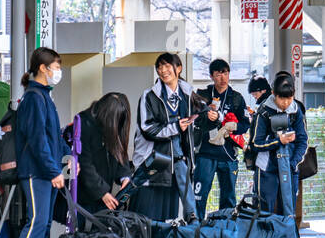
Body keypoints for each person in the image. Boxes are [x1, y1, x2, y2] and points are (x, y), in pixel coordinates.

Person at [4, 47, 65, 238]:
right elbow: (38, 140)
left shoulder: (44, 96)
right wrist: (53, 171)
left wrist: (67, 157)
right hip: (36, 172)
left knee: (44, 223)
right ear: (44, 68)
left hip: (45, 170)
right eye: (57, 67)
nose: (59, 72)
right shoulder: (33, 98)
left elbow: (52, 137)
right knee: (37, 222)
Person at [131, 52, 198, 222]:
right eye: (159, 66)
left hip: (179, 160)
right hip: (156, 161)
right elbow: (147, 128)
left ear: (179, 68)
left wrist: (214, 116)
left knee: (171, 214)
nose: (163, 70)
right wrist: (175, 127)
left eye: (167, 65)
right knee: (150, 214)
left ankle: (190, 228)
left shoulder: (187, 94)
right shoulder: (149, 95)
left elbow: (201, 115)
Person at [192, 58, 250, 216]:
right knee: (199, 196)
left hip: (228, 155)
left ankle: (225, 231)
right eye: (218, 74)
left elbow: (246, 124)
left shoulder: (237, 98)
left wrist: (232, 127)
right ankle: (196, 230)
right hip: (205, 154)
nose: (223, 78)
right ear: (211, 76)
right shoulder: (202, 95)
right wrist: (206, 114)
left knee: (229, 198)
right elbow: (193, 119)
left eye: (225, 73)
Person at [251, 76, 308, 217]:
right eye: (282, 98)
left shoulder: (296, 111)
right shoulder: (263, 112)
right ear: (273, 94)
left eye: (289, 98)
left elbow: (303, 140)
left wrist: (293, 163)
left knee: (288, 210)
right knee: (264, 211)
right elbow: (255, 143)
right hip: (266, 169)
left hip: (289, 167)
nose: (286, 103)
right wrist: (278, 141)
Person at [72, 92, 133, 222]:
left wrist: (125, 177)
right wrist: (102, 192)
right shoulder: (84, 123)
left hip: (103, 193)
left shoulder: (112, 123)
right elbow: (84, 163)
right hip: (85, 194)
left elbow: (120, 150)